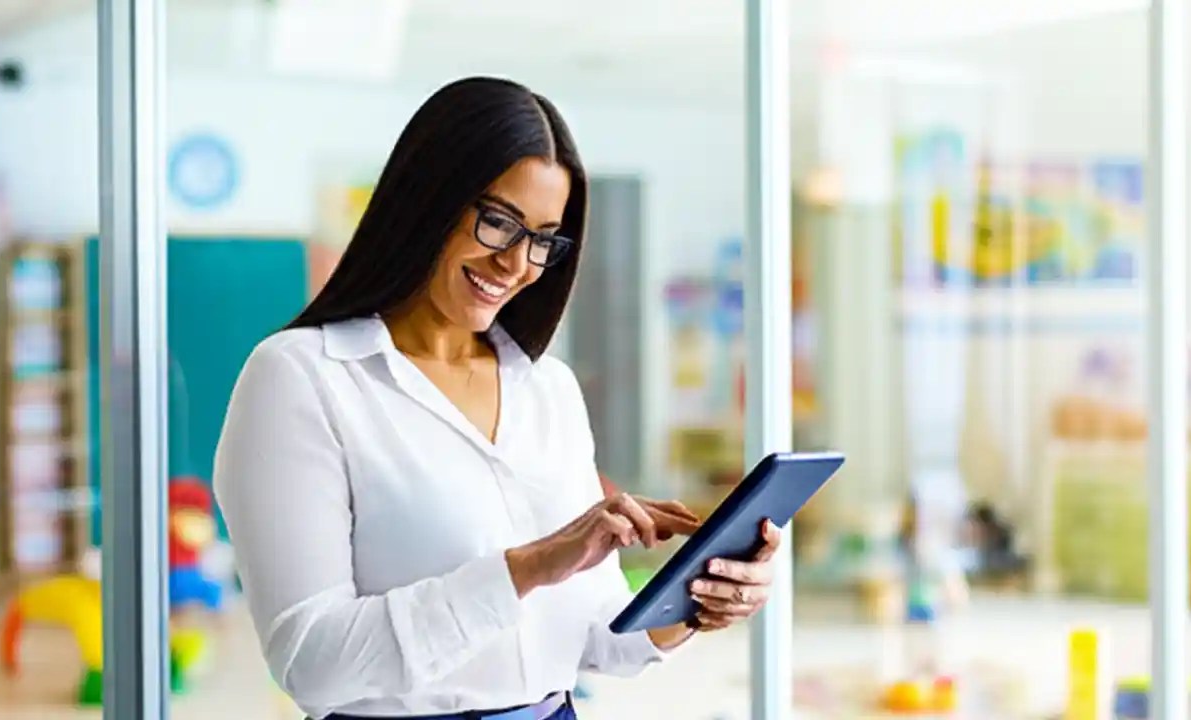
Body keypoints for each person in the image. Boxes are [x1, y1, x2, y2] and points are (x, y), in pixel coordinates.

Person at [212, 76, 783, 720]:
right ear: (428, 199)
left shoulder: (548, 391)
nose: (517, 264)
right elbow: (310, 664)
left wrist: (696, 604)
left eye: (543, 238)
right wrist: (529, 565)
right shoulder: (302, 378)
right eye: (499, 223)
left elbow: (595, 640)